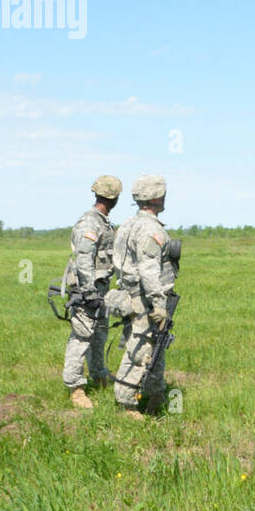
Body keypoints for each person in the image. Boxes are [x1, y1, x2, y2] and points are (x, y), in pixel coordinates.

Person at [111, 175, 178, 420]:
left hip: (131, 293)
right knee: (139, 350)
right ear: (157, 198)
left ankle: (155, 395)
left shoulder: (128, 224)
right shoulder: (151, 230)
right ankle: (126, 404)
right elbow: (148, 269)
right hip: (146, 299)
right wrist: (159, 304)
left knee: (155, 347)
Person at [62, 176, 121, 409]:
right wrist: (89, 292)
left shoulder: (103, 222)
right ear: (114, 198)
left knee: (100, 334)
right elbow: (84, 259)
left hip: (101, 289)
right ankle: (75, 388)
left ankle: (99, 374)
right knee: (81, 337)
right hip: (89, 290)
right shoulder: (90, 223)